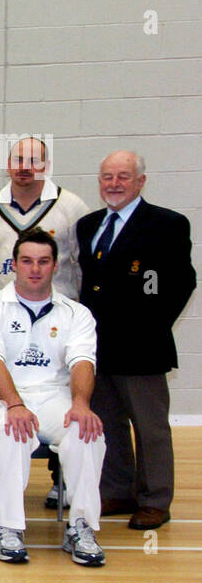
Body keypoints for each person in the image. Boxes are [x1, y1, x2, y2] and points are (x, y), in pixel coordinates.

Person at [0, 229, 106, 566]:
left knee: (86, 431)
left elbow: (82, 363)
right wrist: (15, 405)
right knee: (15, 431)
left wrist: (81, 404)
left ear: (55, 266)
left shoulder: (77, 314)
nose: (35, 269)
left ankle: (82, 526)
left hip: (52, 397)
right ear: (13, 264)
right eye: (27, 261)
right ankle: (10, 528)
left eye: (43, 262)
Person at [77, 151, 196, 531]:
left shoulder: (166, 224)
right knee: (107, 423)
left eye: (123, 177)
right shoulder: (88, 225)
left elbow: (182, 282)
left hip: (143, 346)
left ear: (141, 182)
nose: (114, 184)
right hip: (98, 346)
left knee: (149, 428)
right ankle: (118, 489)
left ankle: (155, 500)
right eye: (107, 176)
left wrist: (153, 325)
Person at [0, 136, 88, 300]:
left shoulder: (72, 207)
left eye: (34, 161)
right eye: (18, 160)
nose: (24, 167)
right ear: (8, 165)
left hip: (58, 309)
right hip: (2, 309)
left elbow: (86, 265)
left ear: (46, 167)